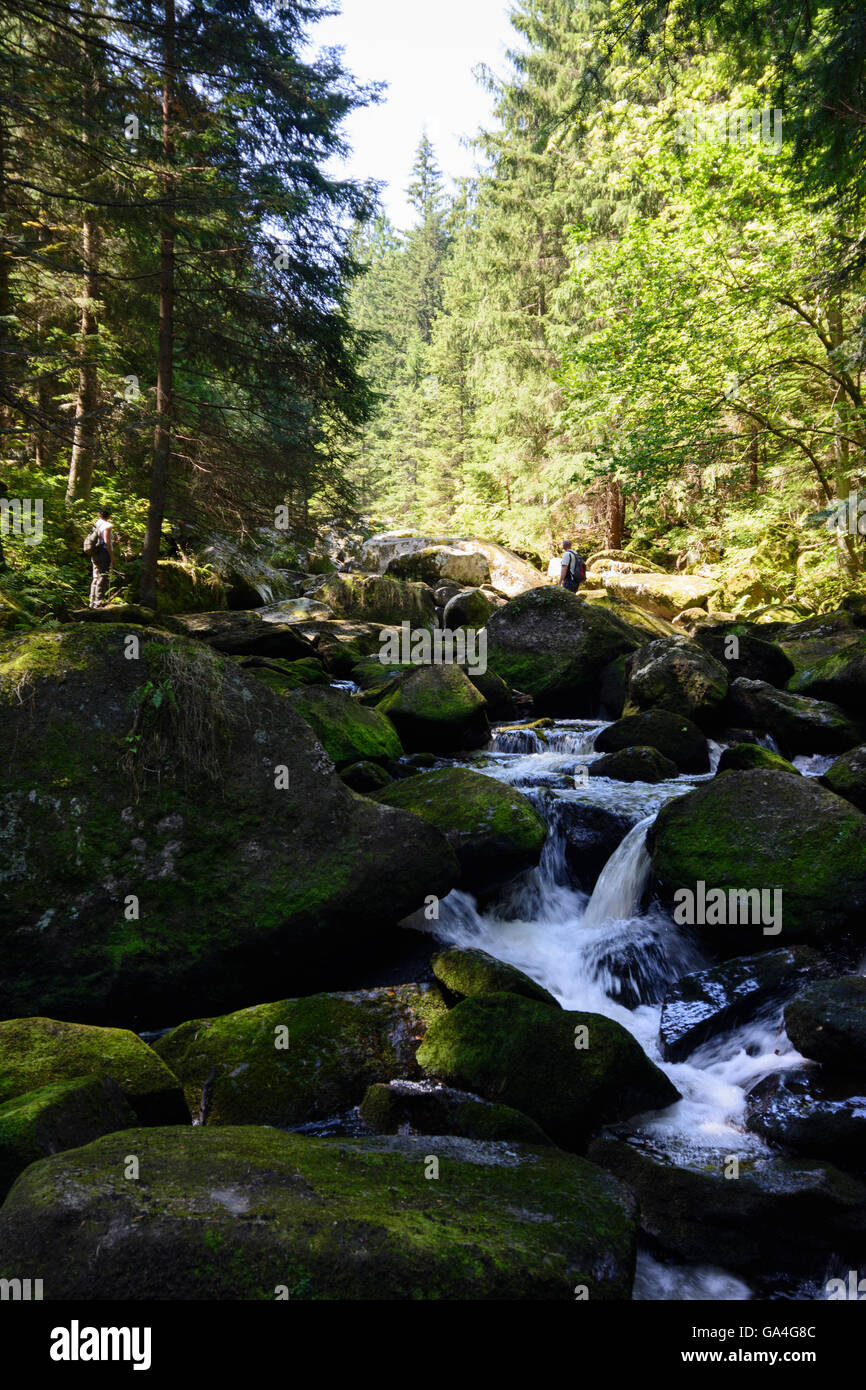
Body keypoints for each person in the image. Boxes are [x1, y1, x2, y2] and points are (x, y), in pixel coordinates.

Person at [89, 507, 113, 609]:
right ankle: (98, 602)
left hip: (95, 553)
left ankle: (92, 602)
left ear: (100, 515)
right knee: (102, 577)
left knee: (95, 577)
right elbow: (107, 542)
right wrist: (112, 556)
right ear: (109, 516)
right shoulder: (107, 525)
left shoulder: (96, 523)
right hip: (104, 553)